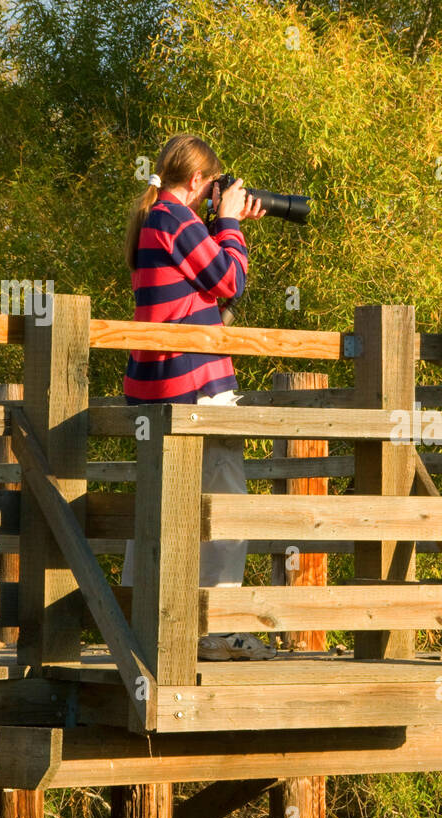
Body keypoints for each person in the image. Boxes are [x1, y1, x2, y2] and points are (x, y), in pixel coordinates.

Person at [119, 133, 272, 660]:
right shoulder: (174, 218)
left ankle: (143, 624)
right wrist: (228, 224)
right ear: (199, 181)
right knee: (226, 505)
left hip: (159, 388)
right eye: (214, 186)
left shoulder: (156, 219)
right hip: (196, 389)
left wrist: (219, 226)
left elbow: (202, 294)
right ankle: (219, 628)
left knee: (158, 505)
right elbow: (230, 281)